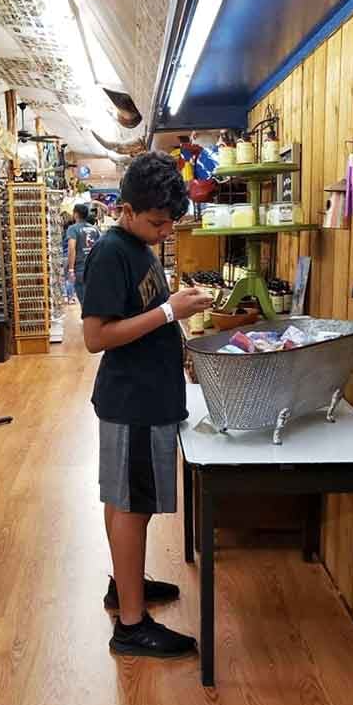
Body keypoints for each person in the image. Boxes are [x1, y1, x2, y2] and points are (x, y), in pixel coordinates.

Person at [81, 152, 213, 658]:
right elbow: (96, 337)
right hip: (133, 401)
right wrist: (168, 311)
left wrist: (174, 304)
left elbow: (144, 310)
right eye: (156, 222)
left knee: (123, 502)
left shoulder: (137, 246)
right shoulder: (112, 253)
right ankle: (132, 625)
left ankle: (126, 587)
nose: (163, 231)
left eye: (169, 224)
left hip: (143, 398)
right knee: (133, 508)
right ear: (127, 209)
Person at [67, 203, 100, 305]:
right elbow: (100, 247)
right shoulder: (95, 229)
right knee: (94, 296)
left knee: (83, 299)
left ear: (76, 214)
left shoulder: (73, 229)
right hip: (94, 268)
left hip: (81, 268)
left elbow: (72, 248)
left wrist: (71, 269)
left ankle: (87, 320)